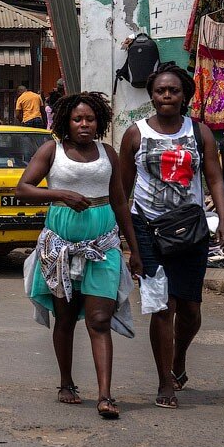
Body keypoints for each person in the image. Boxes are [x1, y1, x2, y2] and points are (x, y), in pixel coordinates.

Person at [18, 92, 142, 420]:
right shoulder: (52, 151)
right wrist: (59, 193)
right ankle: (66, 382)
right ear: (66, 123)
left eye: (90, 119)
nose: (84, 125)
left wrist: (134, 249)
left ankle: (105, 395)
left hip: (103, 249)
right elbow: (23, 188)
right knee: (67, 318)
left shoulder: (108, 154)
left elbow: (119, 203)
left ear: (99, 122)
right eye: (77, 119)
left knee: (100, 320)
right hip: (59, 249)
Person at [118, 64, 224, 410]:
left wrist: (223, 221)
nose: (166, 96)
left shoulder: (200, 133)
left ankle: (179, 356)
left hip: (190, 231)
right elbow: (122, 191)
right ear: (151, 95)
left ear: (184, 96)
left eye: (173, 91)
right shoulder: (135, 134)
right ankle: (165, 380)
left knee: (191, 308)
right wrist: (124, 237)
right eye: (160, 91)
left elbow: (214, 179)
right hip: (148, 230)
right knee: (162, 308)